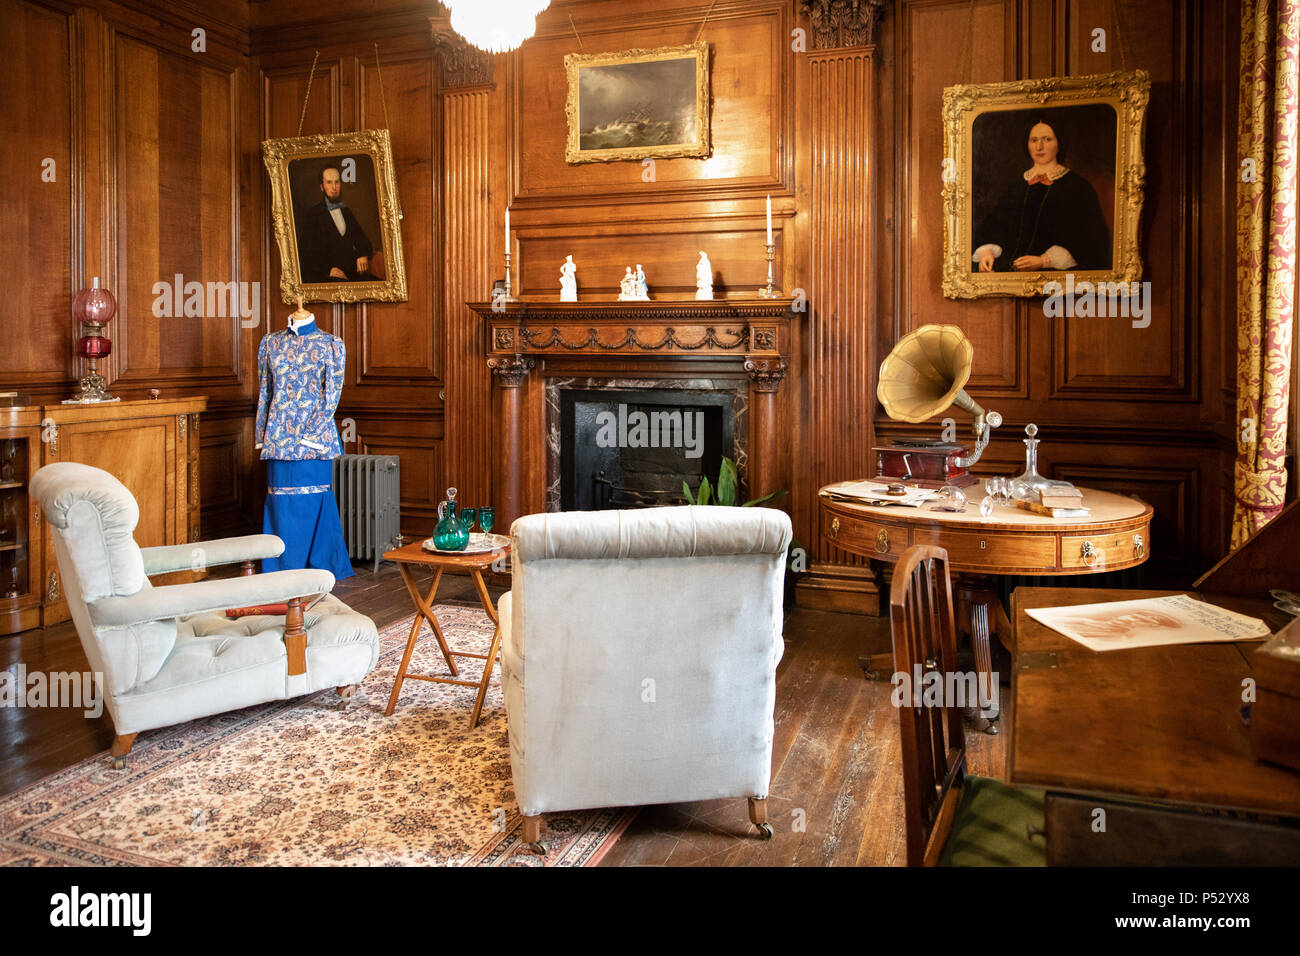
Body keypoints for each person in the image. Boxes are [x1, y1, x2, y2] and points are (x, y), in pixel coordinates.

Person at [972, 118, 1111, 273]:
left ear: (1059, 144)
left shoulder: (1078, 187)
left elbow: (1091, 239)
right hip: (1008, 275)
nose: (1039, 147)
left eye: (1047, 139)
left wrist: (1044, 261)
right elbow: (993, 225)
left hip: (1053, 278)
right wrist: (986, 252)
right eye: (1034, 140)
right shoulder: (1016, 185)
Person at [297, 165, 378, 283]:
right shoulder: (313, 214)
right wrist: (328, 270)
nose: (334, 187)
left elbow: (362, 240)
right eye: (329, 182)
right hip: (326, 276)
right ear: (321, 187)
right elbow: (305, 253)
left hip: (352, 273)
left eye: (337, 182)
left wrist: (362, 254)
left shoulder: (346, 211)